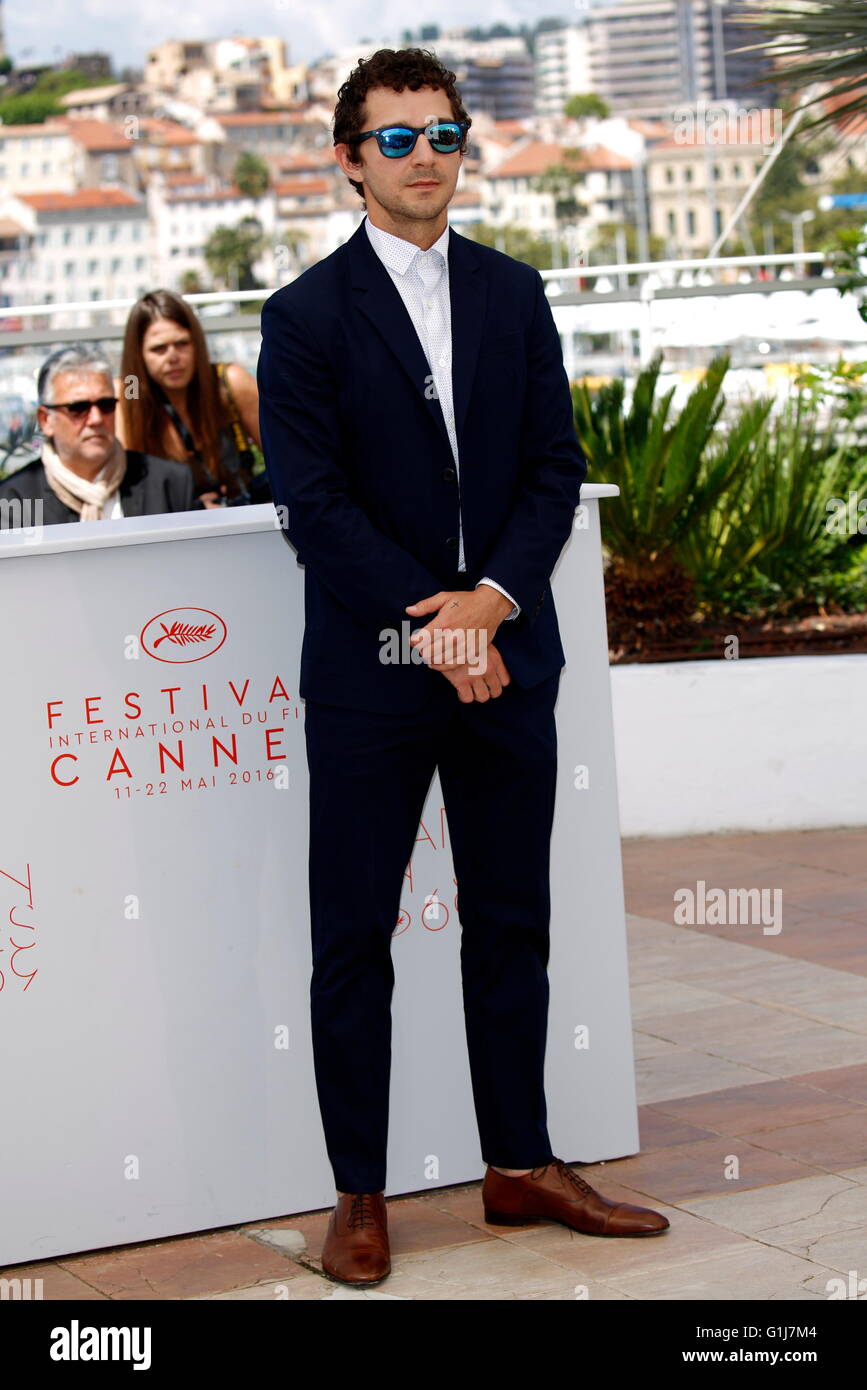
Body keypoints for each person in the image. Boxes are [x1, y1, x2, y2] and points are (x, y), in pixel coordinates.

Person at [257, 46, 669, 1290]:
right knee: (352, 939)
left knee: (511, 924)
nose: (425, 156)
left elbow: (553, 470)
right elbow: (312, 506)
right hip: (373, 677)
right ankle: (360, 1195)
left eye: (444, 134)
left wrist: (490, 604)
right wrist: (436, 624)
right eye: (397, 138)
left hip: (507, 659)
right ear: (350, 161)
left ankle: (519, 1165)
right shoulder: (304, 317)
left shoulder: (513, 292)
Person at [0, 343, 197, 524]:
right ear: (45, 420)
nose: (96, 419)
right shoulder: (15, 500)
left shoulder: (170, 483)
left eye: (106, 405)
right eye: (78, 408)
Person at [115, 288, 270, 509]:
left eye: (182, 343)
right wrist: (192, 506)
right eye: (159, 349)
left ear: (197, 343)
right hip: (167, 521)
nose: (173, 357)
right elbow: (126, 488)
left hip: (242, 515)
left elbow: (287, 457)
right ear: (138, 354)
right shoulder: (127, 397)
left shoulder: (229, 382)